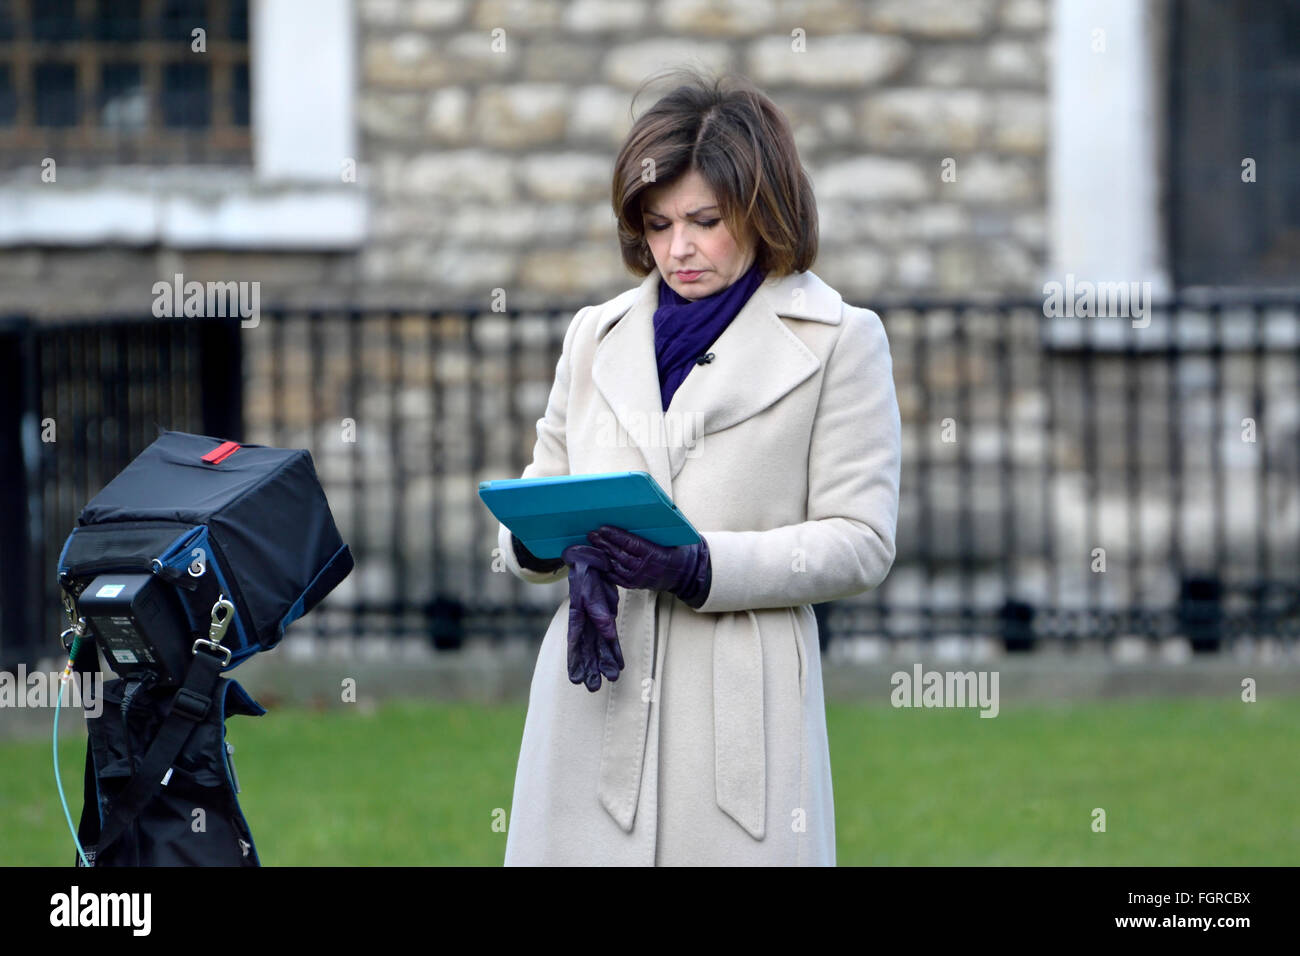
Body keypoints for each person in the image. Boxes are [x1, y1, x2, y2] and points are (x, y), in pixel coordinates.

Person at [495, 68, 901, 865]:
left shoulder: (841, 339)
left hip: (742, 702)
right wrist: (555, 547)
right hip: (592, 693)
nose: (677, 249)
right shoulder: (594, 334)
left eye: (705, 221)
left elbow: (861, 541)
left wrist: (698, 565)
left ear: (762, 208)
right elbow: (538, 497)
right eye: (656, 224)